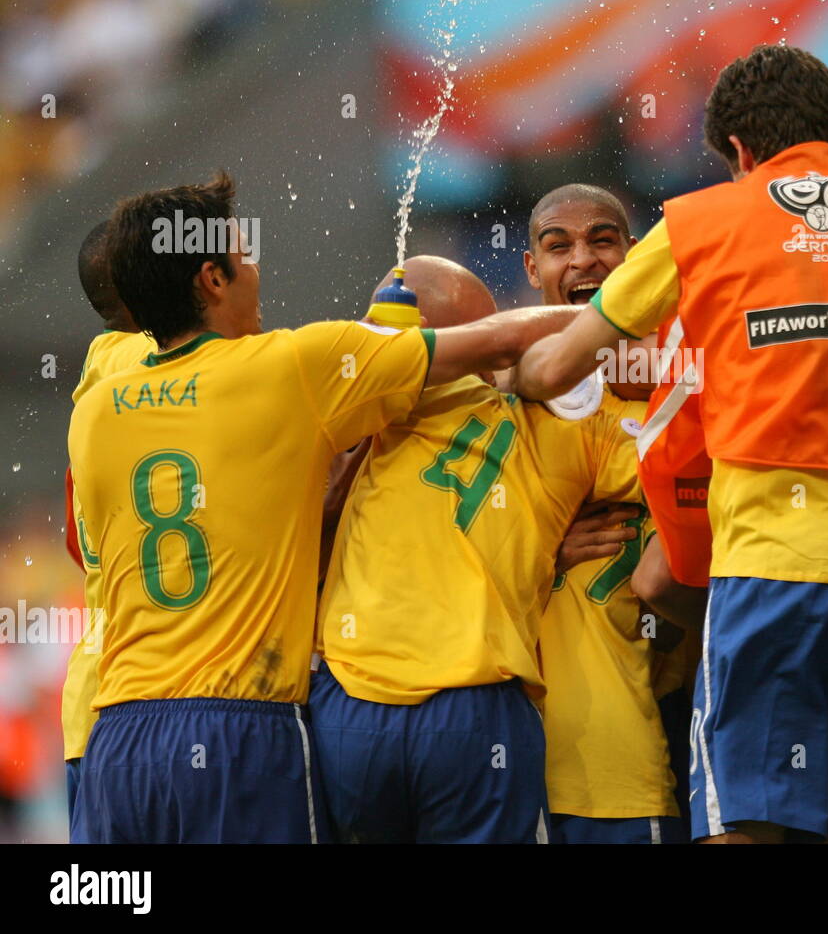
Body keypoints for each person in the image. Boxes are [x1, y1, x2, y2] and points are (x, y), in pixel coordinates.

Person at [513, 44, 828, 843]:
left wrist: (500, 365)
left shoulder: (701, 222)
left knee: (752, 817)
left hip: (770, 571)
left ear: (737, 151)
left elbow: (556, 365)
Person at [68, 173, 578, 844]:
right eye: (244, 257)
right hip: (241, 731)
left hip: (118, 738)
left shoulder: (96, 411)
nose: (258, 272)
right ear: (212, 279)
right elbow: (499, 342)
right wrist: (627, 307)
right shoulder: (293, 367)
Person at [312, 255, 643, 843]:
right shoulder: (573, 419)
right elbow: (686, 462)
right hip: (477, 709)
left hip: (348, 706)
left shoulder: (347, 415)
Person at [524, 184, 685, 844]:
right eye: (558, 246)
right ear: (532, 269)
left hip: (636, 741)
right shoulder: (499, 397)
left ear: (635, 258)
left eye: (603, 240)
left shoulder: (677, 396)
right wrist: (537, 546)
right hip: (523, 755)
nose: (583, 261)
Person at [62, 221, 153, 827]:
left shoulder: (96, 387)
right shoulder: (157, 361)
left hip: (91, 712)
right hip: (163, 706)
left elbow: (75, 542)